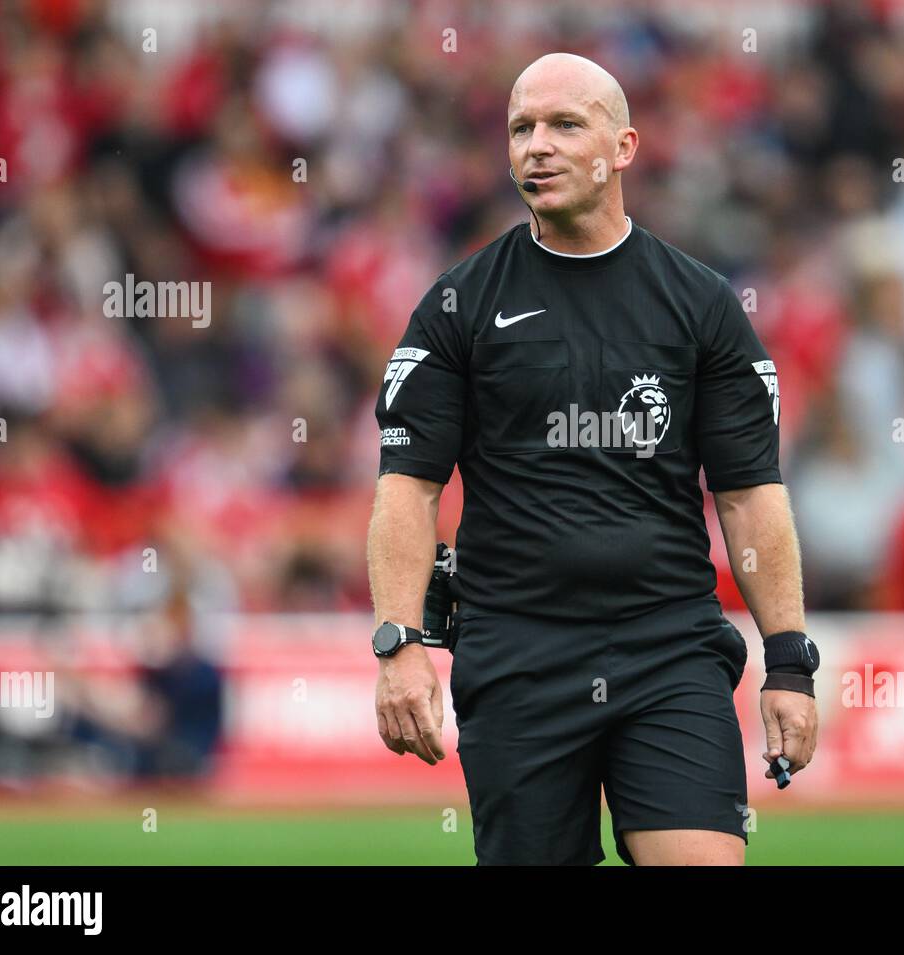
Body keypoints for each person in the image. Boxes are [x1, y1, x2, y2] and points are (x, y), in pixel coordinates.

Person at [367, 53, 818, 865]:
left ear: (624, 148)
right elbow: (407, 489)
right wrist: (399, 643)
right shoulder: (456, 305)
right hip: (515, 655)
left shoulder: (701, 304)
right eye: (520, 129)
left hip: (668, 645)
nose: (536, 145)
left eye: (564, 125)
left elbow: (751, 495)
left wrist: (789, 660)